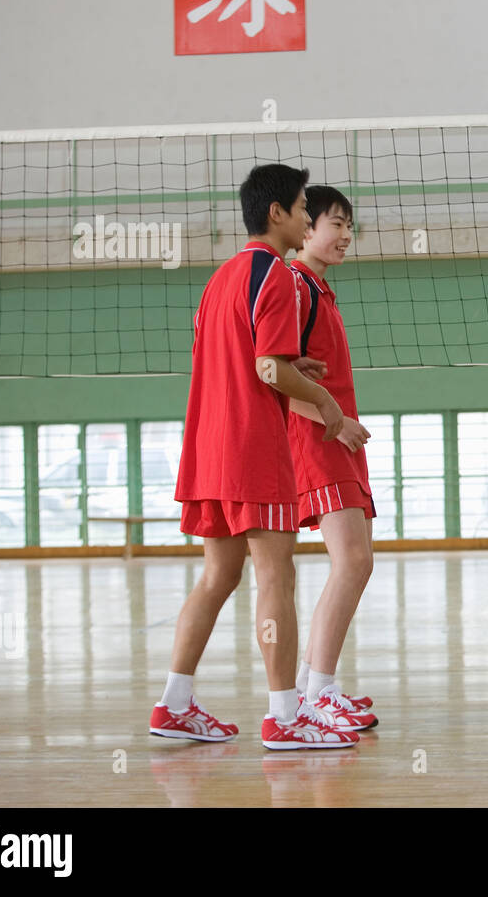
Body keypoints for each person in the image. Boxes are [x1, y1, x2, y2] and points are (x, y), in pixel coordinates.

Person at [150, 164, 359, 750]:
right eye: (301, 208)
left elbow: (252, 361)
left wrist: (295, 370)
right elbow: (268, 369)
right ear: (279, 215)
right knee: (277, 576)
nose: (304, 217)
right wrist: (323, 400)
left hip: (206, 450)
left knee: (217, 576)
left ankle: (174, 703)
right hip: (251, 449)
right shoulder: (277, 277)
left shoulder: (220, 279)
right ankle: (286, 715)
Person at [286, 185, 378, 732]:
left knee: (355, 560)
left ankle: (310, 687)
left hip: (335, 438)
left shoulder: (318, 289)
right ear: (305, 226)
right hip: (318, 440)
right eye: (335, 223)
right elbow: (273, 375)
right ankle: (318, 690)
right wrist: (333, 421)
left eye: (350, 225)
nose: (346, 235)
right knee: (353, 561)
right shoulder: (295, 287)